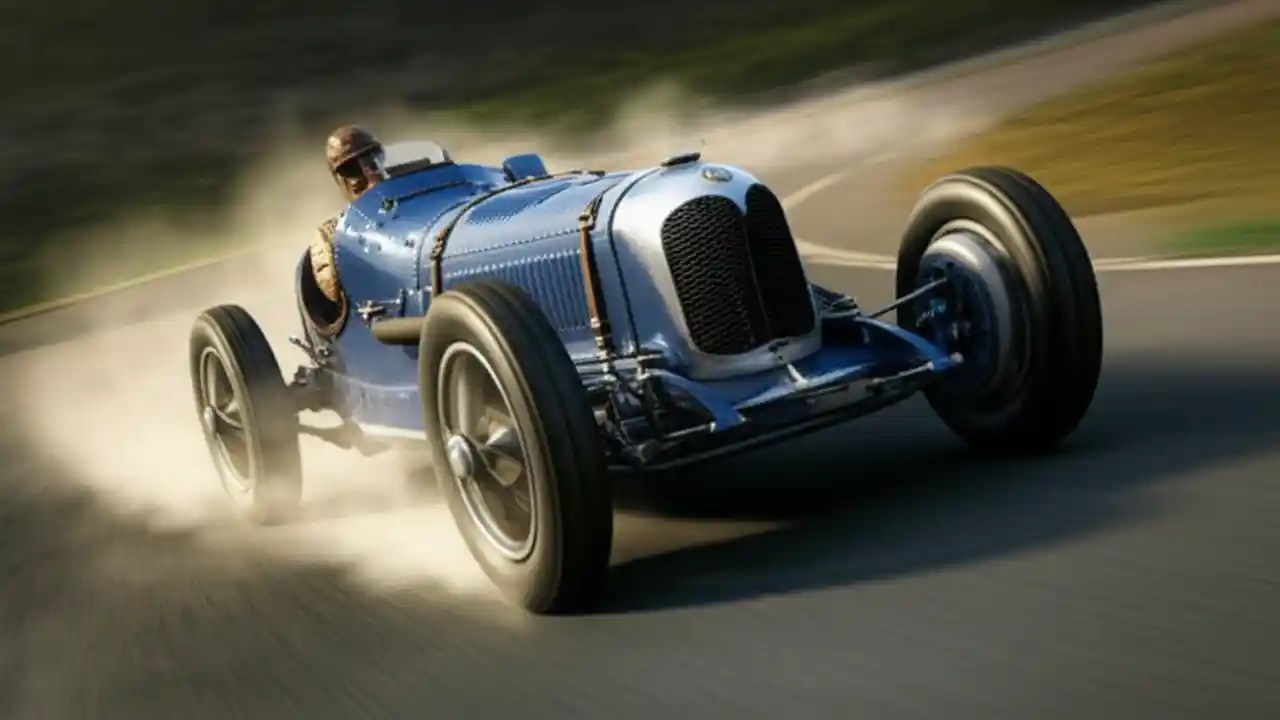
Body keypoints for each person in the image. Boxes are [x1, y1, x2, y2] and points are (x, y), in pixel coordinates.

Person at [307, 125, 388, 334]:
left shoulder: (408, 202)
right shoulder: (333, 236)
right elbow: (334, 290)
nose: (369, 173)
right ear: (340, 180)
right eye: (352, 169)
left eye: (372, 160)